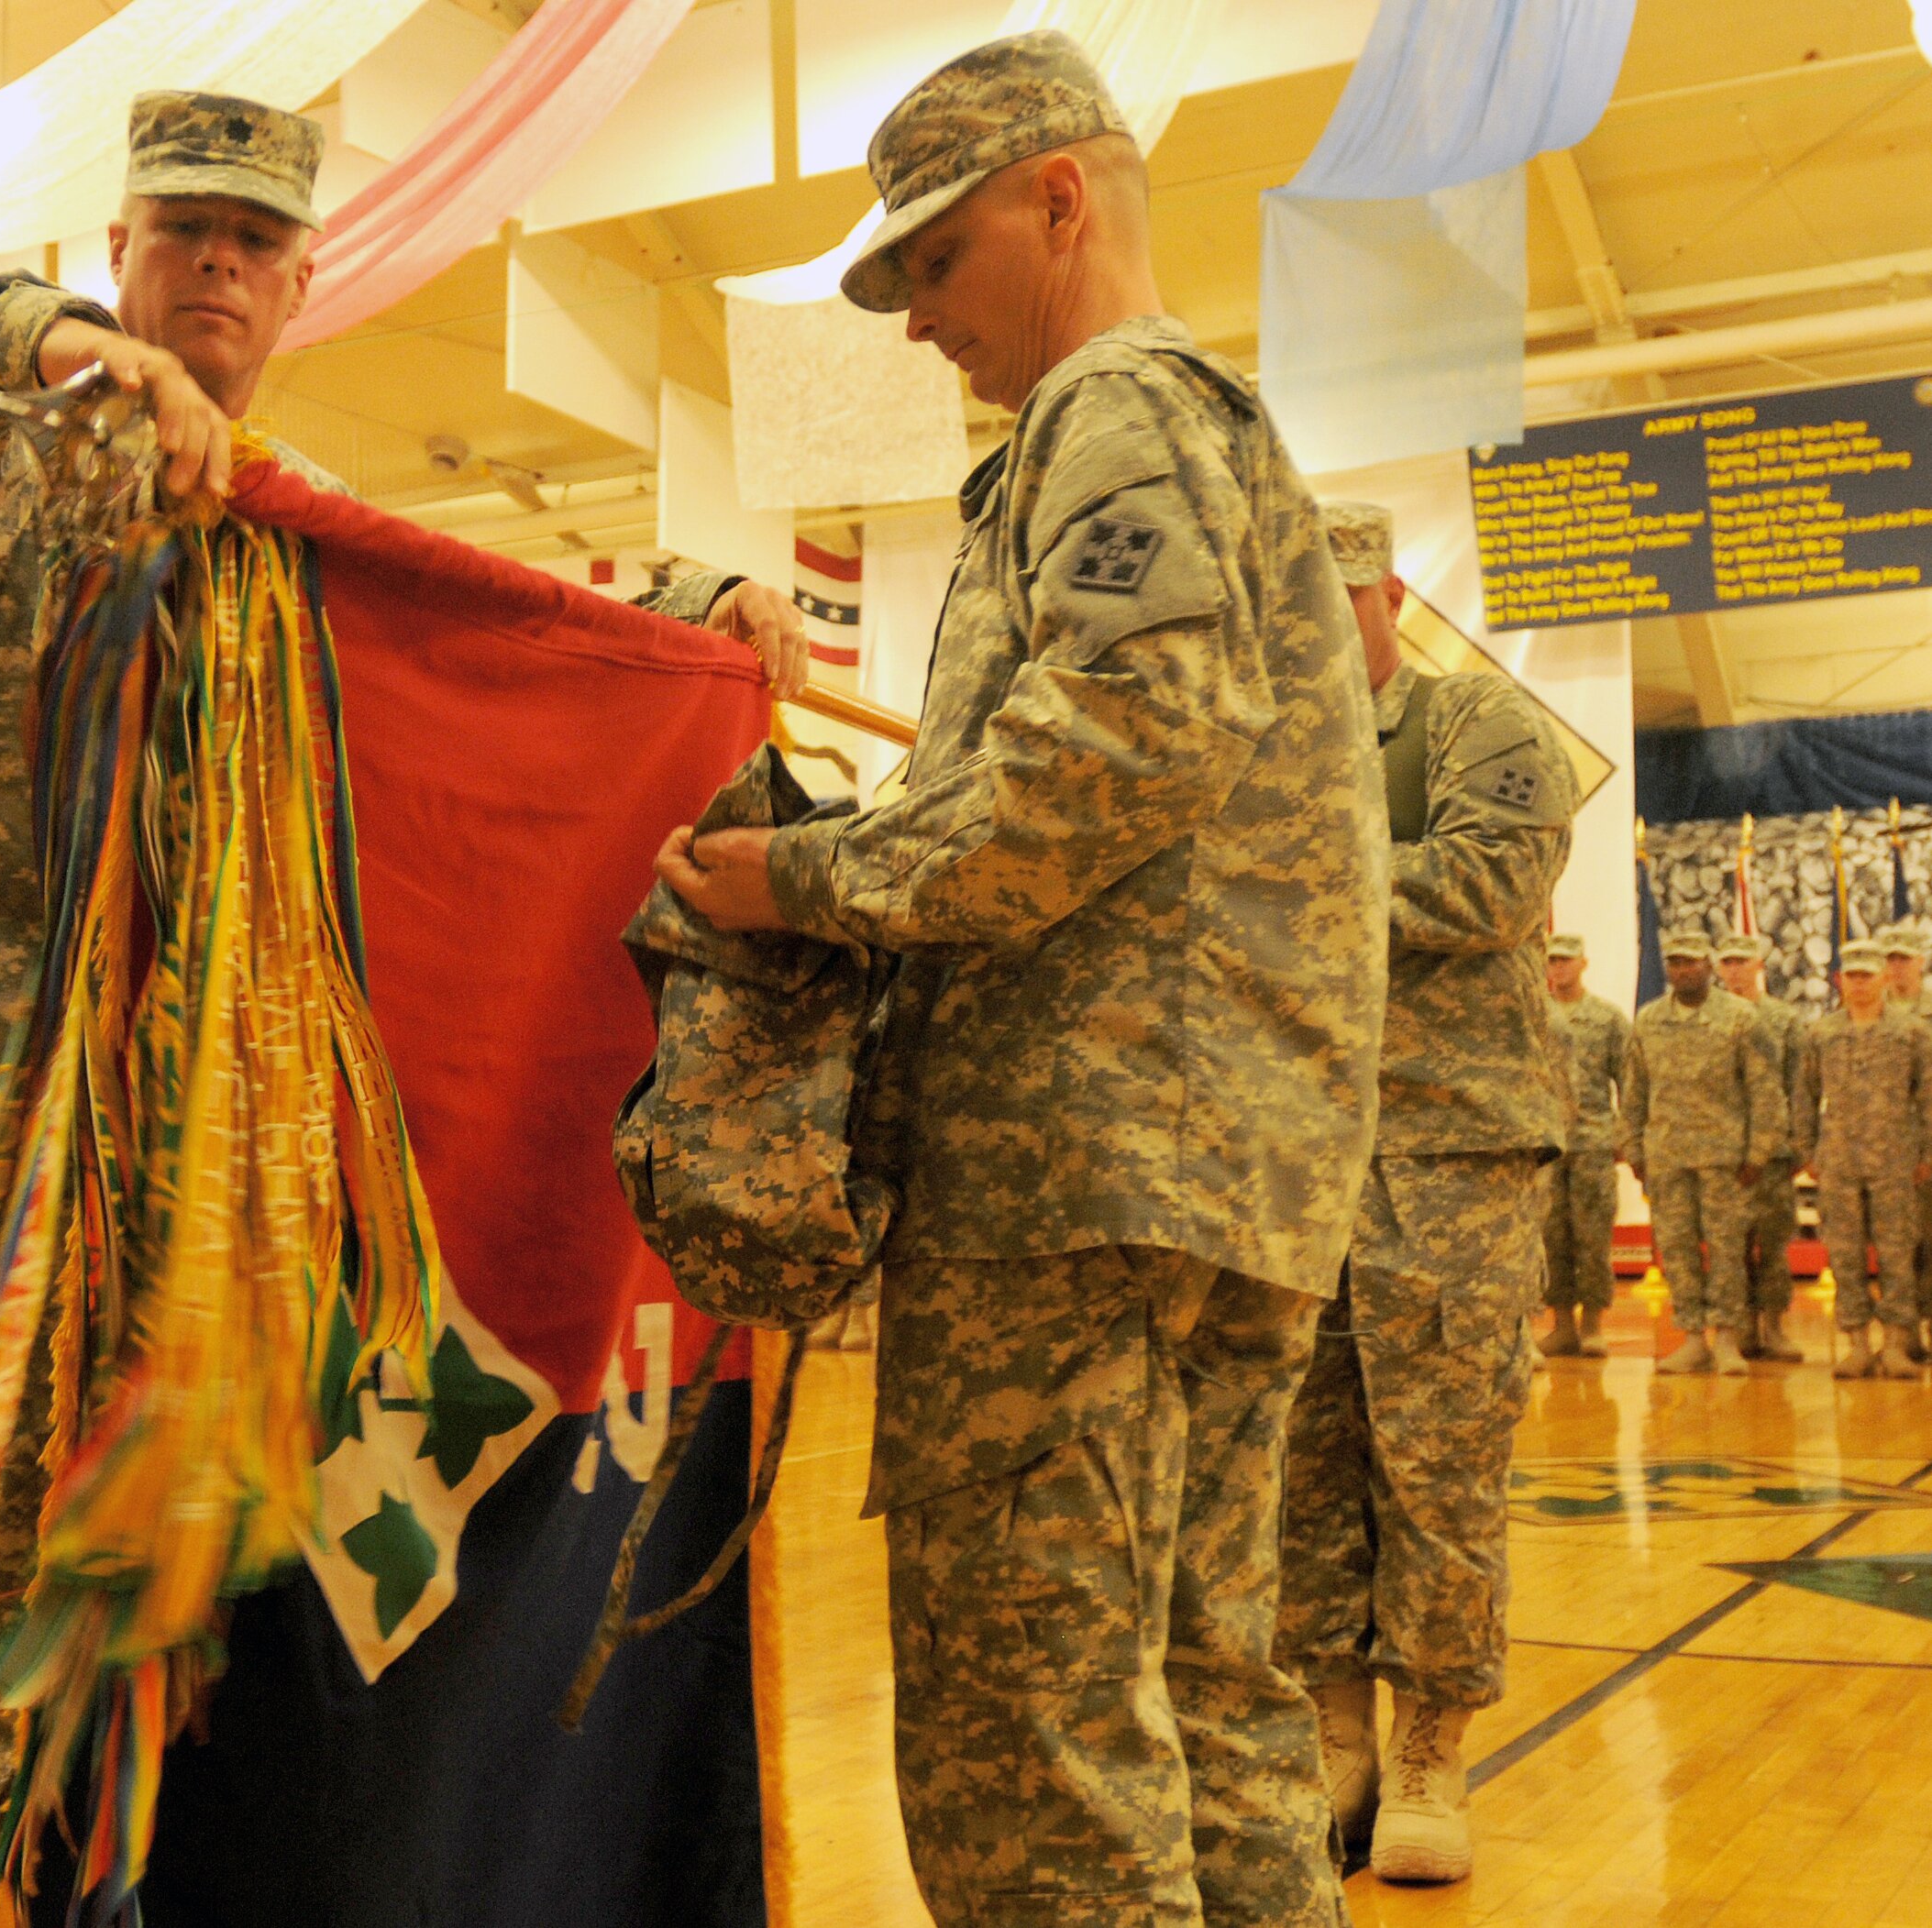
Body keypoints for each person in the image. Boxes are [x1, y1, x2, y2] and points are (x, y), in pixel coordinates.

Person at [0, 90, 804, 1928]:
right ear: (118, 252)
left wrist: (692, 605)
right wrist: (55, 348)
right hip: (37, 1154)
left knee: (234, 1603)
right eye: (181, 230)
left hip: (255, 1167)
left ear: (301, 285)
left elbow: (477, 631)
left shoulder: (298, 525)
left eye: (255, 243)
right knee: (50, 1603)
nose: (215, 266)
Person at [655, 32, 1387, 1926]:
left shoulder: (1115, 407)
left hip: (1076, 1181)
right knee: (1217, 1703)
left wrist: (808, 877)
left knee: (1032, 1737)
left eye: (933, 263)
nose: (912, 322)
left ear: (1060, 199)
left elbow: (1123, 741)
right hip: (1220, 1185)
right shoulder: (1188, 431)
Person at [1275, 502, 1573, 1887]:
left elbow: (1489, 887)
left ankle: (1431, 1745)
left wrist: (1277, 874)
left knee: (1439, 1455)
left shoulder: (1480, 724)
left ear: (1385, 588)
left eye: (1335, 598)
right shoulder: (1262, 742)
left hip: (1448, 1144)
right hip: (1293, 1143)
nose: (1312, 630)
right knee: (1303, 1456)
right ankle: (1332, 1734)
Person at [1619, 931, 1786, 1375]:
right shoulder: (1649, 1021)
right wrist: (1633, 1148)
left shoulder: (1741, 1019)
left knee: (1727, 1249)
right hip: (1667, 1156)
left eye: (1691, 962)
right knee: (1676, 1250)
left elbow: (1765, 1091)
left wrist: (1758, 1152)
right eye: (1675, 963)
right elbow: (1636, 1091)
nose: (1682, 970)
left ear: (1708, 967)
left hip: (1725, 1159)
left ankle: (1728, 1338)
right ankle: (1692, 1337)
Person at [1795, 937, 1932, 1380]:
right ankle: (1857, 1343)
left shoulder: (1912, 1033)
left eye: (1867, 976)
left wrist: (1927, 1152)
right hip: (1839, 1161)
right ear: (1839, 980)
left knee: (1897, 1254)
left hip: (1896, 1160)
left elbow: (1928, 1097)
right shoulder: (1823, 1033)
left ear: (1885, 979)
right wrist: (1807, 1150)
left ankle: (1895, 1344)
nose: (1859, 984)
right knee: (1846, 1255)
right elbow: (1805, 1095)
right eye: (1851, 976)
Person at [1714, 932, 1808, 1361]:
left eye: (1742, 962)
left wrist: (1796, 1144)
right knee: (1728, 1245)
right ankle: (1739, 1329)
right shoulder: (1709, 1017)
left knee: (1771, 1243)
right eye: (1728, 962)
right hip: (1723, 1151)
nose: (1735, 970)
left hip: (1772, 1152)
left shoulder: (1784, 1020)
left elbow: (1798, 1087)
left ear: (1759, 967)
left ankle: (1773, 1327)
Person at [1541, 933, 1628, 1360]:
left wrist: (1626, 1137)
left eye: (1566, 961)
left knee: (1593, 1238)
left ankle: (1593, 1323)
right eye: (1553, 961)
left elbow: (1629, 1082)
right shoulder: (1535, 1015)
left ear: (1583, 963)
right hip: (1547, 1145)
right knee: (1551, 1237)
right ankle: (1561, 1324)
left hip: (1593, 1141)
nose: (1558, 968)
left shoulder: (1608, 1019)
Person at [1882, 924, 1932, 1362]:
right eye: (1890, 959)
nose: (1897, 966)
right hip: (1888, 1148)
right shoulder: (1868, 1012)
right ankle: (1905, 1330)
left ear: (1921, 961)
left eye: (1905, 958)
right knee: (1900, 1242)